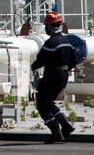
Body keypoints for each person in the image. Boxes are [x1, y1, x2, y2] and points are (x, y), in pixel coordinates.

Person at [31, 11, 77, 143]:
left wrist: (33, 67)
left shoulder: (50, 43)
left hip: (52, 76)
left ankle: (56, 132)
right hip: (63, 77)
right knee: (48, 101)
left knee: (41, 104)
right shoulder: (66, 41)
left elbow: (40, 61)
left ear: (49, 27)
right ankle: (66, 126)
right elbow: (73, 61)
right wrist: (64, 70)